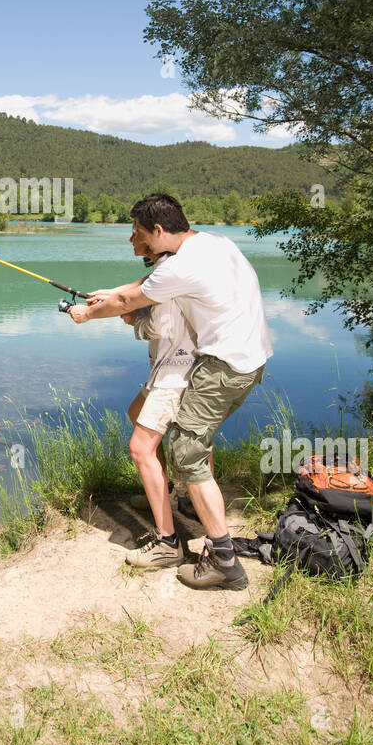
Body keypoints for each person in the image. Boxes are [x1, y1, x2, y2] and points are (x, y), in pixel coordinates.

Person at [68, 192, 273, 591]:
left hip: (220, 364)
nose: (133, 239)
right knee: (182, 435)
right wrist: (111, 296)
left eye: (138, 232)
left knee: (185, 449)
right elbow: (140, 287)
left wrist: (88, 313)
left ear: (158, 231)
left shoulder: (181, 266)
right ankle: (179, 499)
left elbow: (136, 299)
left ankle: (209, 556)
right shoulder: (213, 243)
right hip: (251, 359)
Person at [120, 295, 198, 569]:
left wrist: (132, 319)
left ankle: (168, 542)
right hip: (168, 370)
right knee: (136, 412)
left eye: (139, 247)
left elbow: (156, 327)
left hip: (175, 374)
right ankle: (168, 491)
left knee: (141, 448)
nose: (134, 248)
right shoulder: (168, 274)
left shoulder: (170, 274)